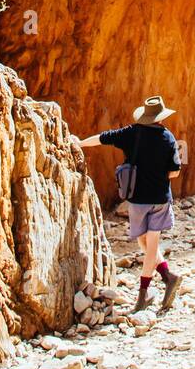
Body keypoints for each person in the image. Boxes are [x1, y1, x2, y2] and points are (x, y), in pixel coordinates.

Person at [78, 95, 183, 312]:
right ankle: (167, 276)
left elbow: (102, 138)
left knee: (146, 245)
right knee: (148, 246)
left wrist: (79, 143)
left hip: (137, 201)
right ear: (161, 118)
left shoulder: (131, 133)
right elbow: (174, 171)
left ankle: (143, 296)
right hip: (160, 199)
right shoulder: (168, 138)